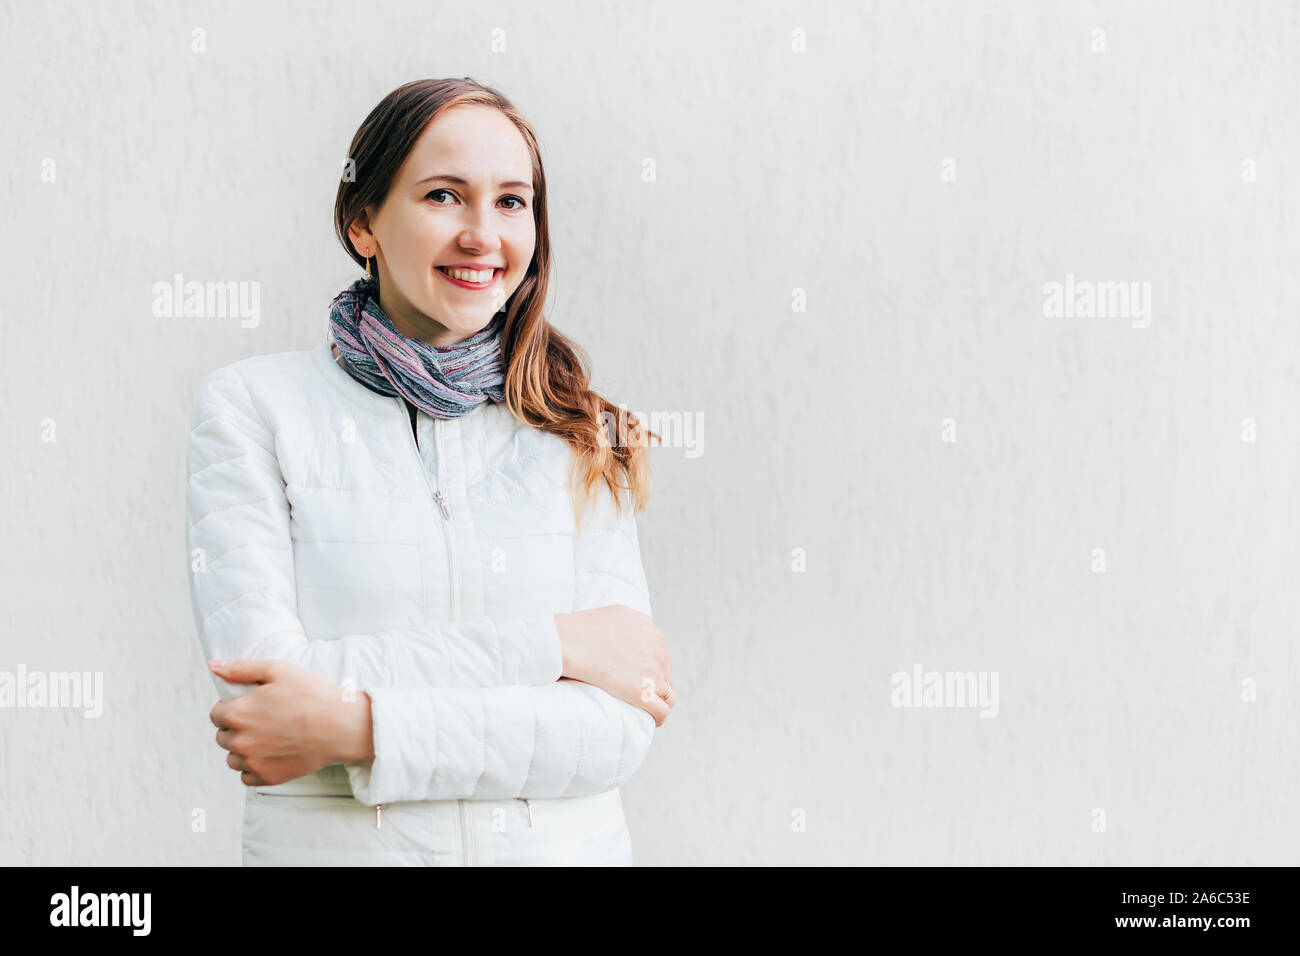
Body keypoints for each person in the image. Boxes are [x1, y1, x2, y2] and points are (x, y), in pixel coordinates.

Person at [185, 77, 675, 866]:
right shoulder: (253, 409)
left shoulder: (580, 427)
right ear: (363, 221)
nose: (483, 235)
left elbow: (617, 729)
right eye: (445, 195)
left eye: (512, 202)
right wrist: (557, 646)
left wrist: (358, 727)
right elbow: (267, 700)